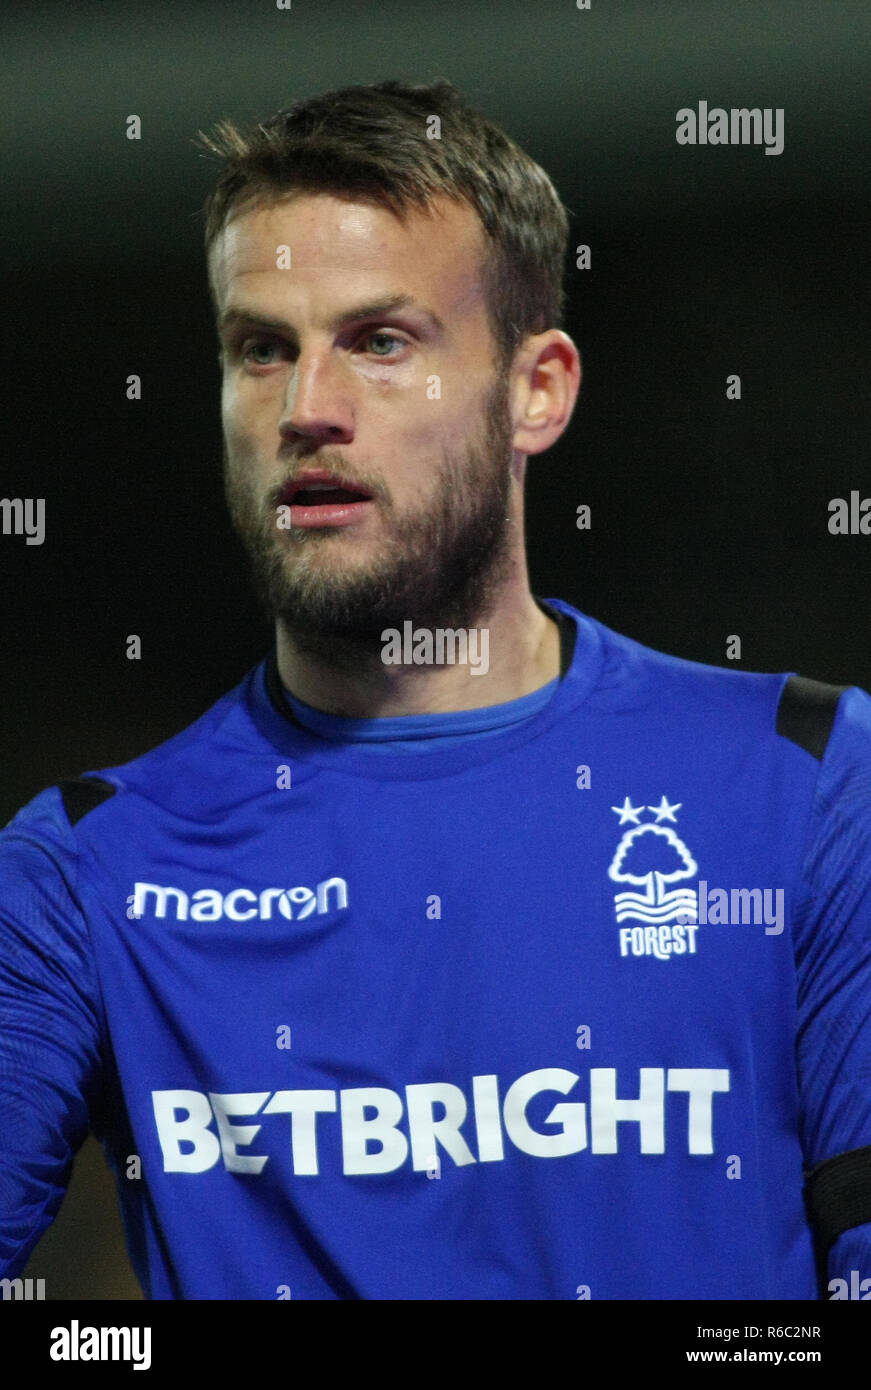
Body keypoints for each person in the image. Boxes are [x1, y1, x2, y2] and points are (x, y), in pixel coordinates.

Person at [1, 78, 869, 1302]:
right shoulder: (84, 871)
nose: (308, 411)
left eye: (380, 341)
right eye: (261, 349)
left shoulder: (804, 778)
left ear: (537, 389)